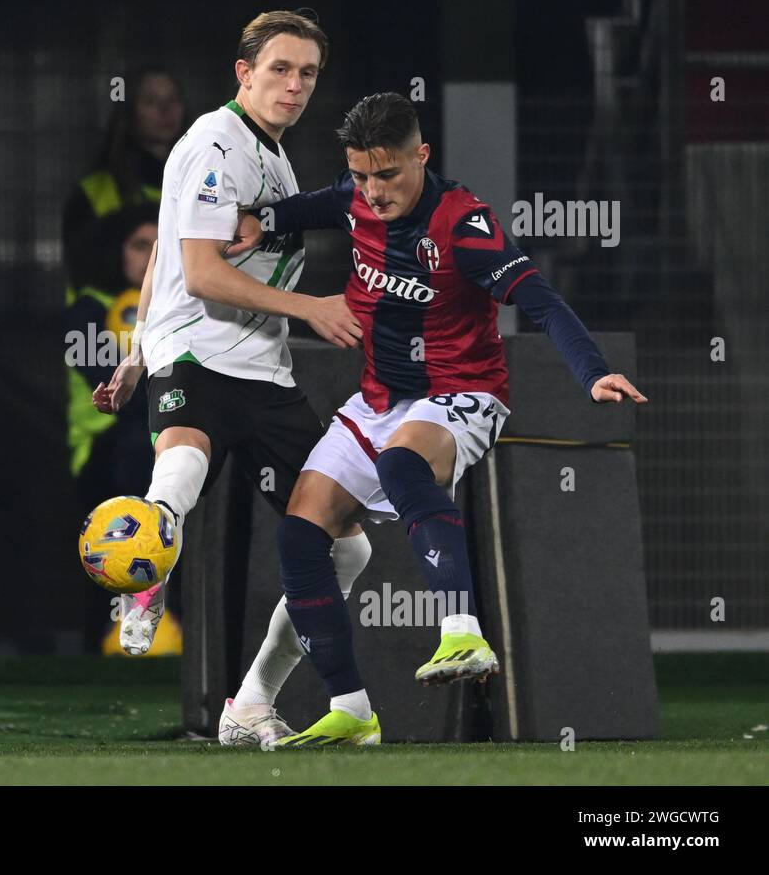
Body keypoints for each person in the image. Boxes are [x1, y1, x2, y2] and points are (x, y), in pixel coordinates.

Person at [230, 92, 647, 745]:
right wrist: (260, 218)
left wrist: (592, 371)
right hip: (380, 395)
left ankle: (463, 635)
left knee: (401, 462)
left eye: (388, 174)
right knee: (300, 536)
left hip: (465, 390)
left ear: (421, 156)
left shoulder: (462, 223)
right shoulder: (353, 195)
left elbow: (539, 300)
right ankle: (352, 712)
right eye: (362, 174)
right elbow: (309, 206)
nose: (373, 191)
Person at [94, 9, 379, 748]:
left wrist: (129, 350)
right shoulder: (216, 142)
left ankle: (250, 702)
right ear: (243, 72)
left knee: (347, 547)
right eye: (279, 68)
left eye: (307, 72)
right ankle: (144, 569)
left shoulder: (272, 156)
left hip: (261, 367)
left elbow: (165, 243)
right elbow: (202, 272)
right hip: (196, 351)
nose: (293, 85)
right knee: (183, 457)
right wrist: (309, 305)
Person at [65, 204, 161, 651]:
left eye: (160, 246)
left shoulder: (181, 307)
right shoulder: (89, 308)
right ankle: (104, 637)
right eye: (141, 245)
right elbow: (111, 386)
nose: (151, 257)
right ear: (118, 253)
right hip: (102, 451)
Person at [63, 68, 185, 293]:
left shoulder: (198, 183)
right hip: (111, 324)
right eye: (150, 101)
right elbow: (81, 274)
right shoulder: (93, 192)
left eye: (172, 99)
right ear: (130, 112)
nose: (165, 110)